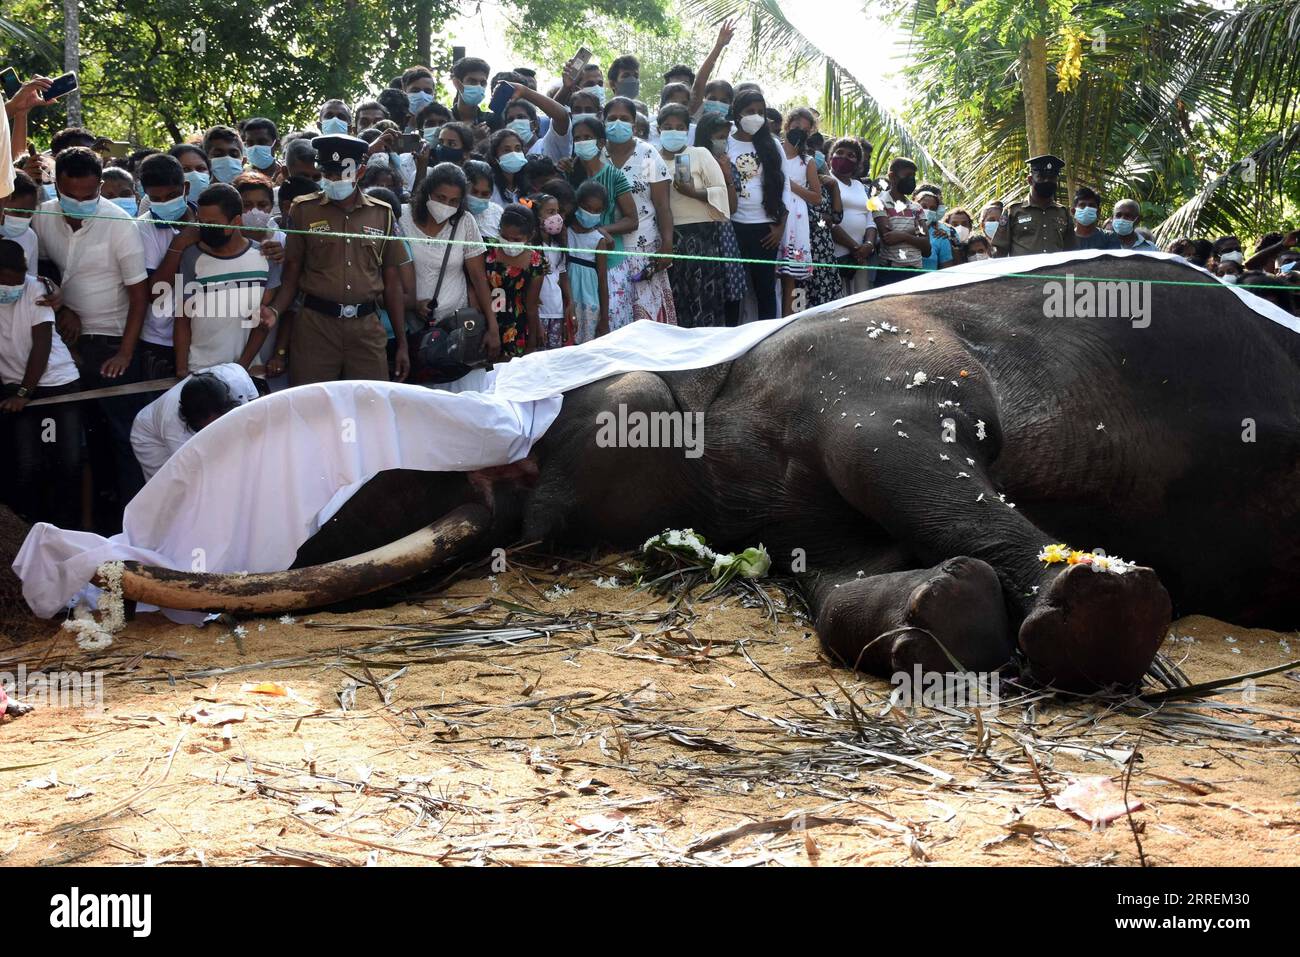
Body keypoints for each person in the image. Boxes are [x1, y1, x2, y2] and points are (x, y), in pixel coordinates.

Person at [33, 145, 150, 524]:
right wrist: (64, 309)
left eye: (90, 195)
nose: (81, 202)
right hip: (60, 343)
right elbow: (39, 272)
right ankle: (72, 524)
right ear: (57, 185)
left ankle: (132, 525)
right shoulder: (42, 214)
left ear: (100, 185)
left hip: (112, 344)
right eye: (71, 196)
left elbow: (139, 295)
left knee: (123, 439)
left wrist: (125, 354)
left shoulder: (120, 225)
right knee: (67, 439)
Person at [266, 134, 410, 385]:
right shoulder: (302, 209)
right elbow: (291, 273)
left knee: (370, 406)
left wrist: (401, 343)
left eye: (341, 174)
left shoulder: (382, 214)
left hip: (366, 328)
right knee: (313, 407)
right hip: (315, 328)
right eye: (327, 174)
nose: (333, 180)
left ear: (360, 171)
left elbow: (392, 283)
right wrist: (275, 311)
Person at [0, 238, 82, 529]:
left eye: (18, 281)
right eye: (7, 283)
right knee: (27, 462)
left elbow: (42, 344)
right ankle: (30, 530)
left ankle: (64, 528)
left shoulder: (35, 289)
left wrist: (25, 392)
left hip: (53, 387)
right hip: (16, 390)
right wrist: (19, 392)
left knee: (65, 461)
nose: (15, 289)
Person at [400, 162, 499, 379]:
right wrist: (413, 304)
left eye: (454, 201)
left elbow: (479, 279)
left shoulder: (464, 222)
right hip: (409, 328)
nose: (446, 205)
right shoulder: (402, 217)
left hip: (455, 329)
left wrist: (493, 327)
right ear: (427, 192)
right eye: (440, 198)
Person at [173, 182, 278, 379]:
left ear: (236, 221)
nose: (205, 229)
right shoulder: (192, 256)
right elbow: (182, 317)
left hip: (246, 371)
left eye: (212, 224)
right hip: (198, 369)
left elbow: (261, 323)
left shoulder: (265, 257)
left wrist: (240, 369)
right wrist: (181, 368)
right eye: (201, 222)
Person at [602, 96, 675, 326]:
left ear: (634, 124)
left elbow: (663, 205)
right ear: (603, 122)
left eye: (624, 118)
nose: (617, 123)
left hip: (645, 247)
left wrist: (667, 244)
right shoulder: (596, 154)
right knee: (615, 314)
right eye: (612, 118)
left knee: (648, 317)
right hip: (608, 247)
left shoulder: (647, 153)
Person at [657, 103, 730, 328]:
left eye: (679, 127)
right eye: (668, 126)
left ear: (687, 130)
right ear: (659, 129)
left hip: (702, 237)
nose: (674, 131)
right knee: (676, 301)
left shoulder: (698, 154)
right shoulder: (652, 159)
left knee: (705, 299)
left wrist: (693, 192)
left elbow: (722, 191)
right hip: (669, 238)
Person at [130, 364, 258, 481]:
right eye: (207, 428)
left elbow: (258, 417)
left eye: (217, 423)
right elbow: (194, 471)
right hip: (151, 439)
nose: (215, 432)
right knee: (174, 490)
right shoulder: (174, 425)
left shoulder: (237, 376)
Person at [727, 89, 787, 320]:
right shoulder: (726, 144)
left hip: (766, 228)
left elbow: (786, 187)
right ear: (737, 114)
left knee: (765, 290)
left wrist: (780, 226)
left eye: (760, 112)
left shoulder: (771, 144)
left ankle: (766, 342)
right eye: (750, 111)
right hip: (733, 226)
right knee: (734, 291)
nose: (756, 116)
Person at [135, 153, 196, 380]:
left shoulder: (206, 218)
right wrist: (179, 245)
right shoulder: (142, 229)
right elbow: (154, 291)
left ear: (185, 188)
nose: (164, 204)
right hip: (160, 337)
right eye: (156, 199)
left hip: (202, 334)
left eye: (171, 196)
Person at [483, 203, 545, 358]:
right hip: (485, 320)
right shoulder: (485, 249)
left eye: (516, 239)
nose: (509, 243)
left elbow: (531, 306)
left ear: (529, 236)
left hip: (515, 326)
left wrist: (531, 345)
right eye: (505, 237)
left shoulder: (536, 262)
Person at [566, 181, 622, 342]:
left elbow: (602, 281)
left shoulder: (598, 240)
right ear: (578, 205)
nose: (591, 213)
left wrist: (604, 319)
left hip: (589, 304)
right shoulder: (565, 233)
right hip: (568, 300)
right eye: (587, 208)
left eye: (597, 211)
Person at [994, 154, 1075, 256]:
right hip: (1024, 271)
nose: (1047, 181)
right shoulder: (1013, 211)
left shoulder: (1063, 213)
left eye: (1052, 177)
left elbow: (1071, 254)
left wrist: (1070, 273)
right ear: (1030, 180)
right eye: (1042, 177)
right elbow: (1000, 251)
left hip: (1055, 272)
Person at [827, 138, 876, 294]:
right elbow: (827, 220)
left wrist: (868, 244)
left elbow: (870, 219)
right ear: (830, 157)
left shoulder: (860, 186)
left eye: (851, 155)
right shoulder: (825, 181)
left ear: (857, 163)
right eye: (839, 153)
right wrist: (854, 247)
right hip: (835, 256)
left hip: (860, 258)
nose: (844, 157)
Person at [871, 157, 929, 286]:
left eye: (913, 176)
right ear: (892, 177)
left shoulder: (916, 207)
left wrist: (902, 235)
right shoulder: (878, 202)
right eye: (907, 175)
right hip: (890, 273)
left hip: (916, 272)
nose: (911, 179)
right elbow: (888, 239)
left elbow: (926, 248)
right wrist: (916, 231)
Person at [530, 188, 574, 347]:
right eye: (550, 212)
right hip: (539, 314)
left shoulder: (557, 245)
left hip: (557, 311)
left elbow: (562, 275)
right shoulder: (531, 247)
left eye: (557, 211)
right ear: (538, 216)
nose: (556, 216)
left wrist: (570, 303)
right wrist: (536, 321)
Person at [915, 187, 954, 272]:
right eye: (924, 206)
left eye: (932, 208)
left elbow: (946, 270)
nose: (928, 211)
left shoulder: (940, 237)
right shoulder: (900, 227)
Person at [465, 160, 504, 240]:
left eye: (485, 194)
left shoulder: (497, 213)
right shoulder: (454, 213)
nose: (479, 197)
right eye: (474, 192)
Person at [1071, 185, 1116, 249]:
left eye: (1091, 205)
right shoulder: (1066, 240)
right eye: (1082, 205)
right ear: (1073, 211)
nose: (1087, 209)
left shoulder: (1109, 237)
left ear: (1098, 212)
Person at [242, 117, 285, 183]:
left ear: (276, 144)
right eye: (250, 143)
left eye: (262, 142)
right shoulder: (241, 179)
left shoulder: (287, 175)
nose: (255, 147)